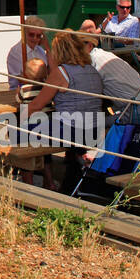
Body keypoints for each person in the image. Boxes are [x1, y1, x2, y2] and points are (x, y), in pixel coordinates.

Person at [26, 30, 107, 191]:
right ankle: (70, 172)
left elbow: (37, 105)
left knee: (24, 129)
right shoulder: (92, 70)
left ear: (60, 51)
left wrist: (20, 118)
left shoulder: (61, 73)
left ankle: (29, 183)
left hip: (72, 130)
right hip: (94, 129)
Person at [79, 19, 140, 124]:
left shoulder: (91, 63)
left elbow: (87, 96)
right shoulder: (104, 53)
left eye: (77, 48)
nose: (75, 52)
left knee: (88, 124)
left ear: (89, 46)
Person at [6, 16, 49, 90]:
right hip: (21, 92)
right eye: (31, 35)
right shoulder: (16, 52)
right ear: (24, 33)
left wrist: (47, 48)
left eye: (38, 36)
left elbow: (51, 72)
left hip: (40, 91)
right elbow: (20, 79)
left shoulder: (41, 51)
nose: (35, 38)